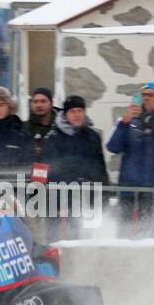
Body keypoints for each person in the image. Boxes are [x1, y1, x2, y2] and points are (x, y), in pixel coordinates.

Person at [106, 82, 154, 237]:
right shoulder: (128, 120)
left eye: (151, 95)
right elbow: (112, 147)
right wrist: (124, 123)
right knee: (124, 234)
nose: (146, 99)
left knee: (151, 235)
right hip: (128, 190)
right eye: (144, 95)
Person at [42, 95, 106, 240]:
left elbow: (100, 167)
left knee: (86, 239)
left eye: (79, 111)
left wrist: (104, 195)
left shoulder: (93, 136)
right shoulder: (53, 138)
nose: (76, 115)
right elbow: (50, 172)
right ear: (65, 114)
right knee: (60, 240)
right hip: (62, 199)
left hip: (88, 197)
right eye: (72, 111)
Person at [24, 86, 58, 161]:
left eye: (43, 101)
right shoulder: (24, 129)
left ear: (51, 104)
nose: (39, 105)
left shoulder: (61, 128)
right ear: (31, 105)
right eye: (35, 102)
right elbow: (18, 166)